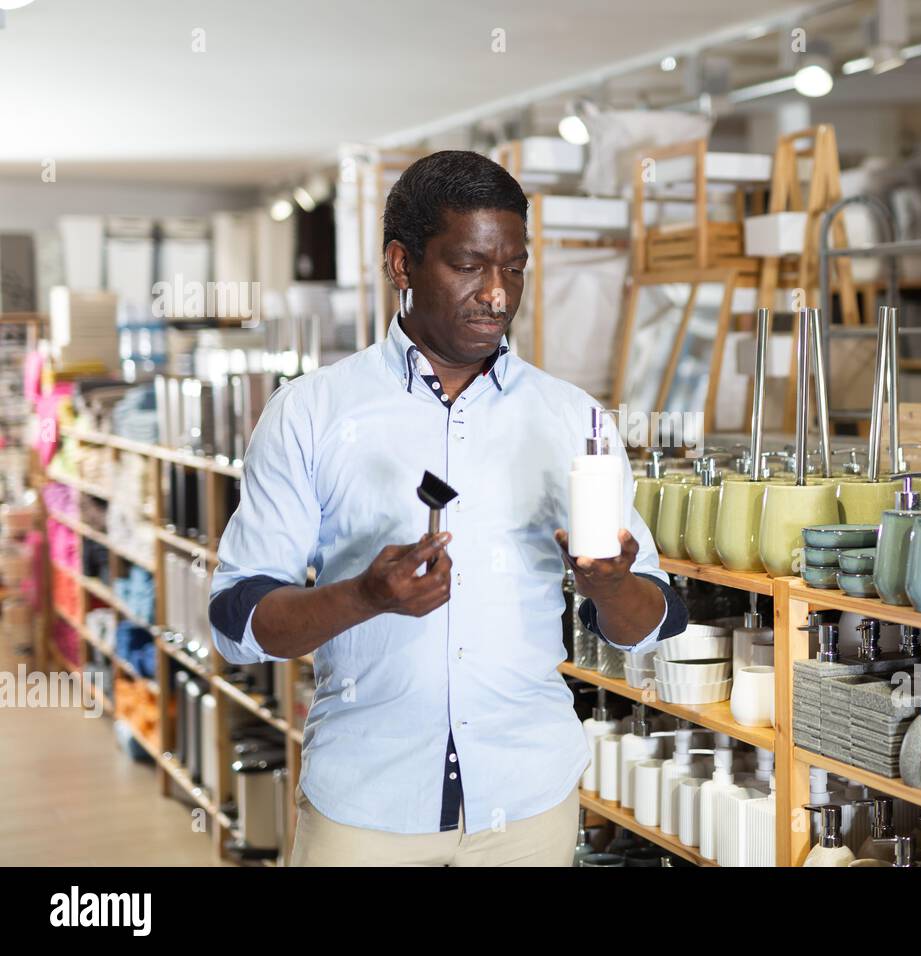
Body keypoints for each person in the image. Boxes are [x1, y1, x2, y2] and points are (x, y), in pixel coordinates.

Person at [208, 150, 686, 866]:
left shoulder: (573, 420)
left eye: (515, 268)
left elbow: (649, 626)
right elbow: (236, 621)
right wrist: (365, 596)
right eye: (469, 265)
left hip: (526, 806)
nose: (498, 294)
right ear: (402, 265)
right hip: (365, 809)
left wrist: (611, 586)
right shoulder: (311, 413)